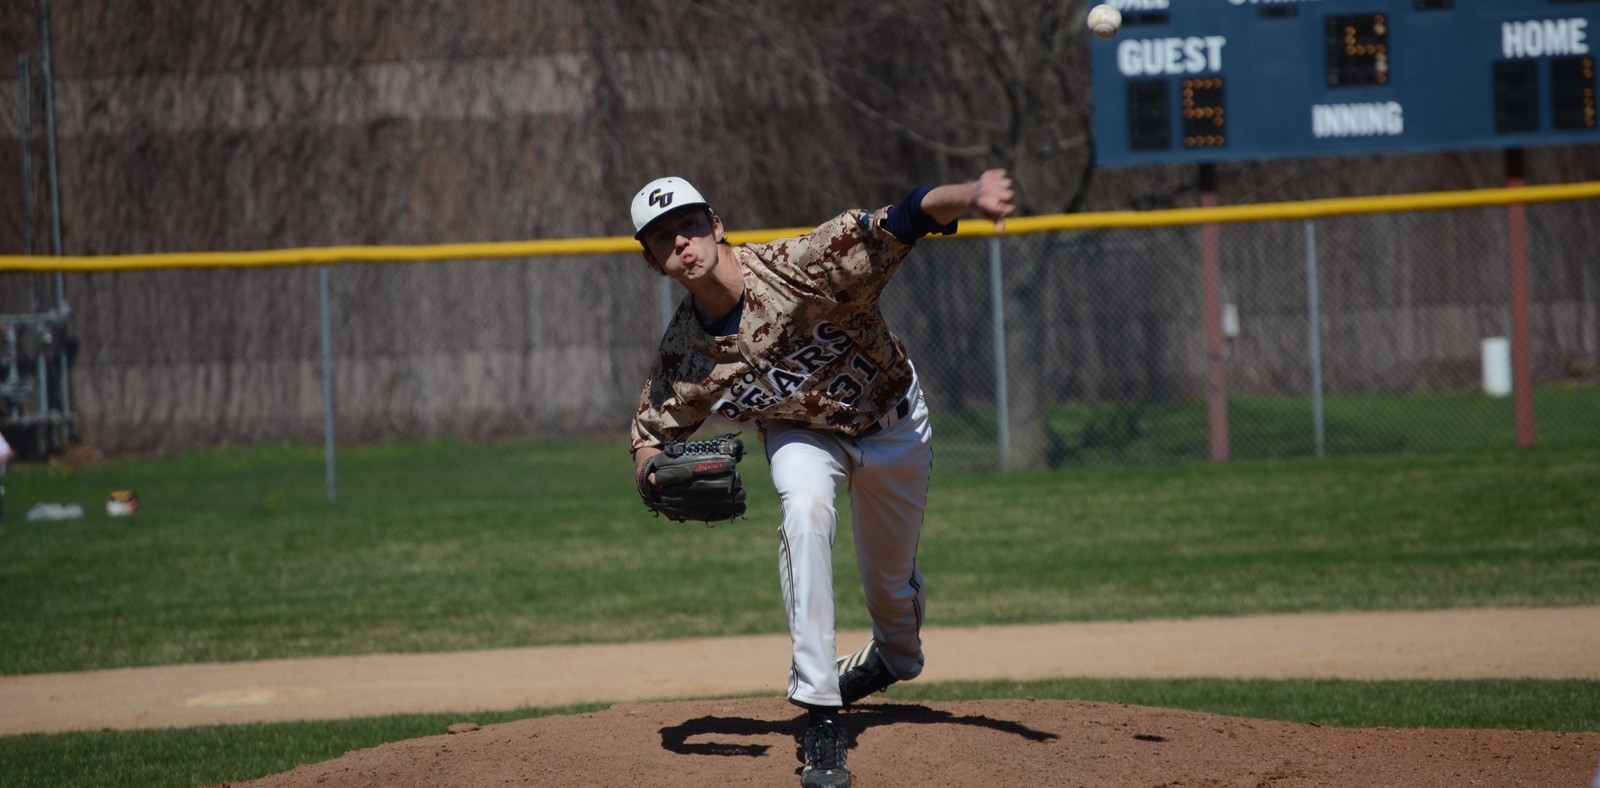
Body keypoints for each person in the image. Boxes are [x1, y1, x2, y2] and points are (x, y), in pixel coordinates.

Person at [628, 170, 1015, 788]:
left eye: (688, 224)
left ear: (716, 225)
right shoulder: (684, 355)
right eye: (661, 237)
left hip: (893, 424)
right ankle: (820, 711)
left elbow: (907, 215)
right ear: (652, 259)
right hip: (800, 435)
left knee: (893, 605)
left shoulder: (804, 264)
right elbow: (650, 435)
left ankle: (893, 655)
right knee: (805, 509)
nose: (680, 242)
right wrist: (652, 476)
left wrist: (969, 196)